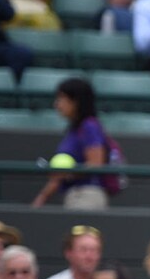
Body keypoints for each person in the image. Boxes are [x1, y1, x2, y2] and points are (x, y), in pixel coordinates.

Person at [32, 78, 115, 211]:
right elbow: (60, 176)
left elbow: (96, 164)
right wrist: (42, 197)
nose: (57, 104)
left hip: (87, 196)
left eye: (61, 98)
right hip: (75, 195)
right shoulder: (74, 129)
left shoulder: (89, 126)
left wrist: (68, 174)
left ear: (76, 101)